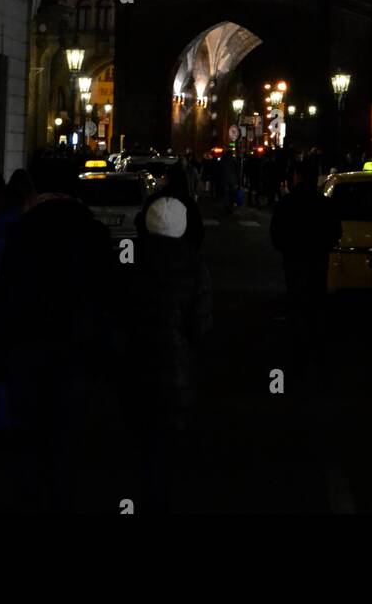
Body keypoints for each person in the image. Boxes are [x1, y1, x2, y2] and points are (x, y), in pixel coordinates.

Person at [0, 154, 121, 512]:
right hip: (75, 351)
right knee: (66, 440)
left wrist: (0, 354)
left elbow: (8, 295)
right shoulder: (92, 232)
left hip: (27, 349)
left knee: (29, 440)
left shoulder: (22, 230)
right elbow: (106, 298)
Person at [129, 197, 212, 511]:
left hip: (134, 365)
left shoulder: (131, 261)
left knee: (142, 443)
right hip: (176, 370)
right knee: (172, 446)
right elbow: (201, 326)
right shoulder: (194, 265)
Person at [270, 160, 342, 361]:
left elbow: (276, 233)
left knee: (296, 301)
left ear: (297, 177)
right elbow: (336, 232)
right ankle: (316, 348)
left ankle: (297, 349)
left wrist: (287, 248)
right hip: (318, 260)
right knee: (316, 302)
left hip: (294, 260)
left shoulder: (287, 203)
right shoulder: (325, 204)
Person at [136, 163, 204, 249]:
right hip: (182, 252)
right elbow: (197, 231)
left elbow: (143, 225)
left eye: (164, 176)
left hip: (156, 252)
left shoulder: (153, 200)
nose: (162, 178)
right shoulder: (189, 202)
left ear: (168, 179)